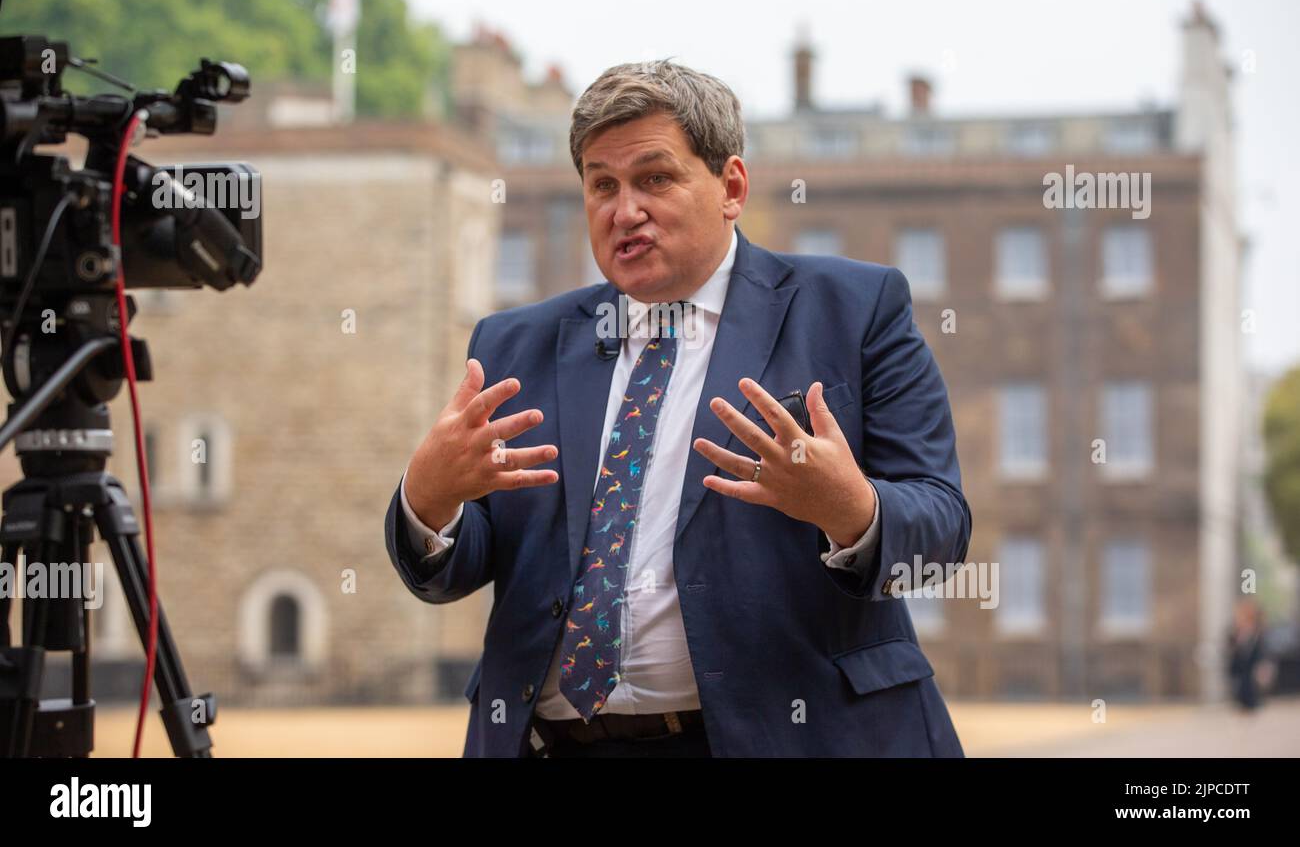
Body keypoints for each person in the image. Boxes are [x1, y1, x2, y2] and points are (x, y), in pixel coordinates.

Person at [384, 59, 972, 757]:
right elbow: (460, 566)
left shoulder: (854, 311)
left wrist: (850, 509)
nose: (623, 209)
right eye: (601, 184)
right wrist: (428, 502)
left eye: (654, 178)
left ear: (731, 187)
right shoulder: (513, 345)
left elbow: (941, 534)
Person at [1227, 598, 1270, 712]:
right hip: (1240, 673)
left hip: (1252, 675)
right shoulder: (1235, 632)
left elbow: (1262, 652)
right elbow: (1232, 652)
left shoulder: (1258, 633)